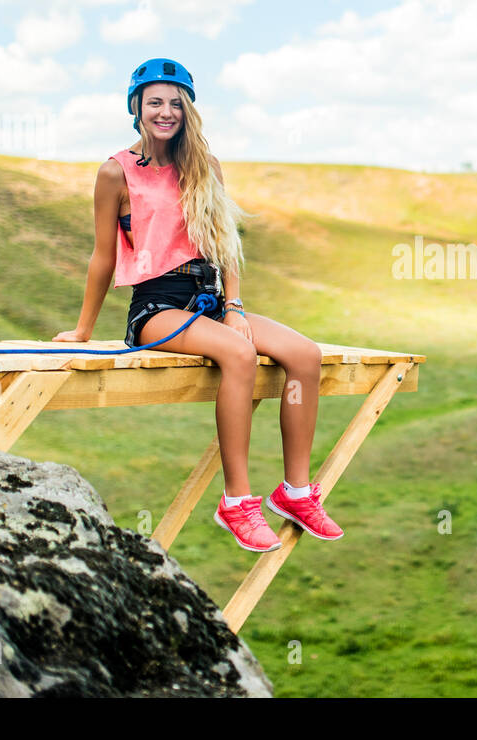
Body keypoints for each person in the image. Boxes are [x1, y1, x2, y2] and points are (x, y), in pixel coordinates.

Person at [53, 57, 342, 552]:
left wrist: (235, 304)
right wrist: (82, 331)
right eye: (154, 102)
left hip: (210, 299)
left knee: (306, 356)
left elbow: (224, 242)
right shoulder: (114, 172)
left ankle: (295, 492)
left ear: (187, 109)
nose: (165, 112)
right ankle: (236, 502)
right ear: (135, 108)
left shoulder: (206, 167)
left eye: (175, 103)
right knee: (239, 354)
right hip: (157, 306)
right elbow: (103, 256)